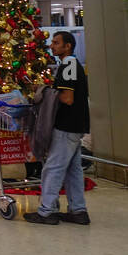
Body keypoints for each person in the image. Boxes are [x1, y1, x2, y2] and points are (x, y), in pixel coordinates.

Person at [27, 31, 91, 225]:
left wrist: (44, 92)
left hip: (66, 125)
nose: (52, 46)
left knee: (53, 168)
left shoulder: (69, 64)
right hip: (76, 125)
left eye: (56, 43)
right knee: (73, 170)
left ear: (68, 46)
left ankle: (46, 211)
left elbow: (67, 98)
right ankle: (78, 211)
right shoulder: (70, 64)